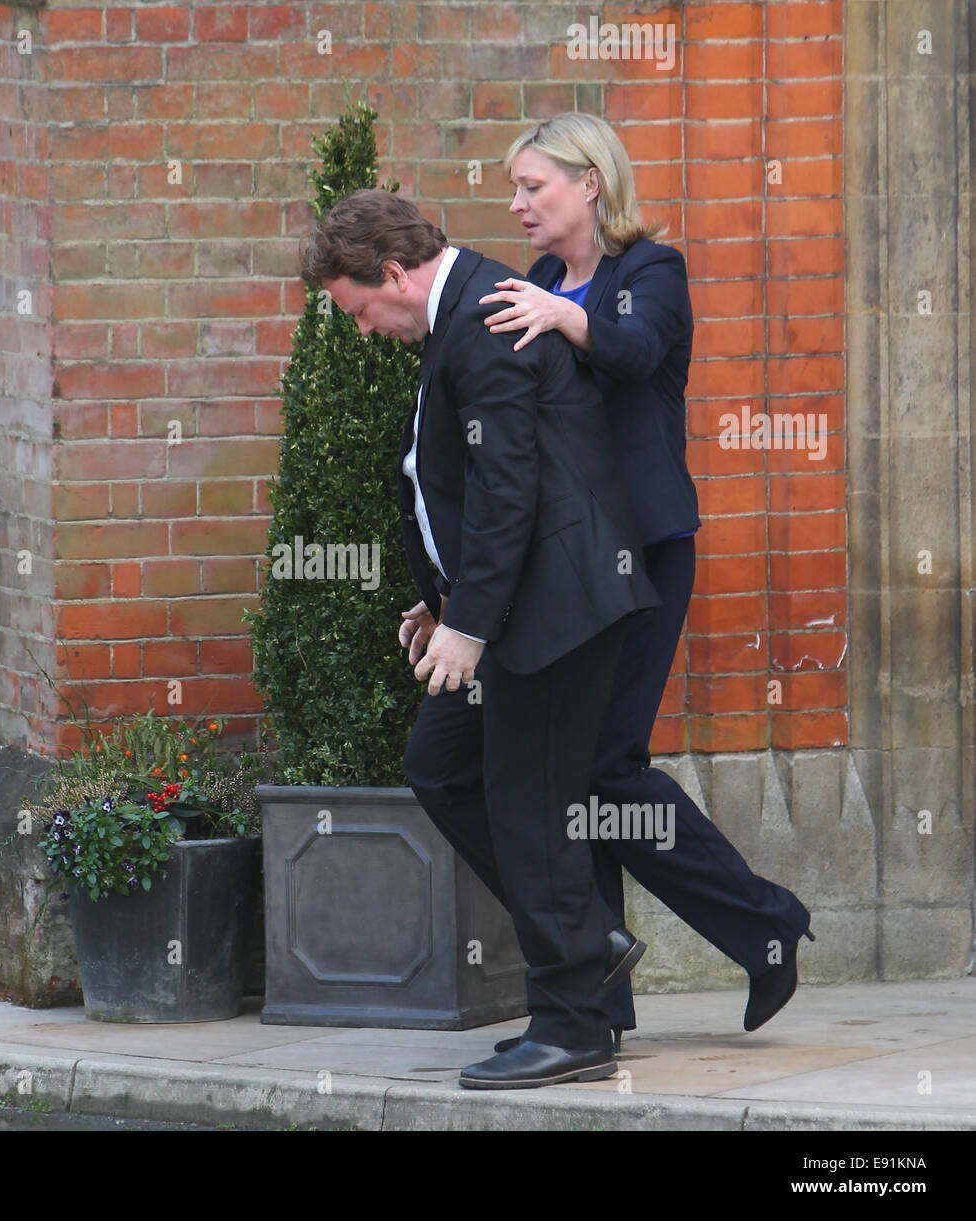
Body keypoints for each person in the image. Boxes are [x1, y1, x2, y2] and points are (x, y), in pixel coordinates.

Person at [299, 186, 660, 1088]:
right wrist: (446, 602)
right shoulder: (461, 313)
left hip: (561, 613)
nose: (361, 330)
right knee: (442, 767)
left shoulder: (485, 320)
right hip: (516, 610)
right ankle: (589, 942)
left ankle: (574, 1023)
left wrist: (467, 624)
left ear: (391, 273)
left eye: (357, 310)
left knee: (526, 808)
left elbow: (511, 492)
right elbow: (455, 481)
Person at [472, 113, 814, 1053]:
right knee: (575, 775)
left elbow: (635, 352)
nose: (517, 205)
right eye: (514, 190)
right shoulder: (538, 284)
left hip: (646, 554)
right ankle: (603, 1004)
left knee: (601, 768)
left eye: (532, 186)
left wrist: (566, 316)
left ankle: (761, 922)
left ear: (590, 183)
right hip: (569, 571)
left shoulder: (651, 272)